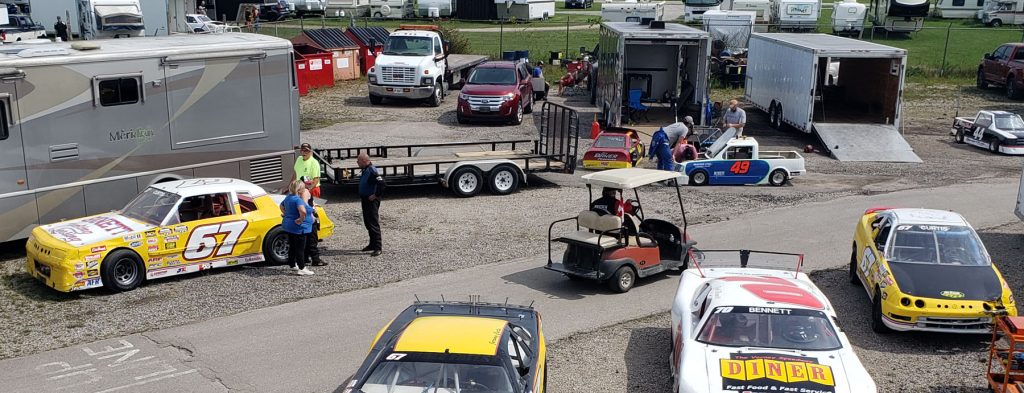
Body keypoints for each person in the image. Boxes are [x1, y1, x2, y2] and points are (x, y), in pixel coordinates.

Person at [281, 180, 315, 276]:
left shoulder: (288, 198)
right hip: (299, 228)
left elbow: (281, 206)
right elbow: (303, 211)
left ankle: (292, 264)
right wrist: (301, 219)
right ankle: (302, 268)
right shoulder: (298, 200)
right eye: (303, 188)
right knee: (300, 248)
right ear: (300, 190)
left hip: (289, 225)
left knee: (292, 245)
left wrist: (286, 214)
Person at [358, 153, 385, 256]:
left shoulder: (372, 171)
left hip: (371, 201)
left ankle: (378, 247)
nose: (357, 163)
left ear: (365, 161)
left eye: (359, 161)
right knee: (367, 222)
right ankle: (372, 244)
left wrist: (376, 195)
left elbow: (382, 183)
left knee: (373, 223)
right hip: (365, 199)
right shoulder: (365, 169)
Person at [299, 186, 327, 267]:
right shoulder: (305, 191)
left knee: (307, 238)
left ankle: (305, 257)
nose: (309, 185)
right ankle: (316, 259)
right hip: (309, 218)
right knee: (312, 239)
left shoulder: (297, 192)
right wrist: (311, 214)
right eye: (307, 184)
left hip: (305, 218)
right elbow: (305, 205)